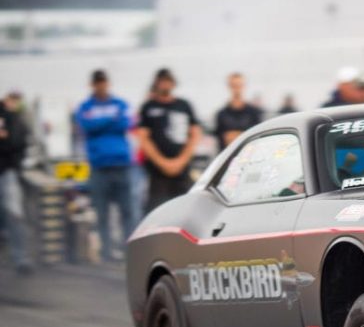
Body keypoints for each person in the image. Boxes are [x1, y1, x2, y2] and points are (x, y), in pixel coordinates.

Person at [75, 70, 135, 262]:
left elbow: (126, 124)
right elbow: (87, 126)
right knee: (102, 213)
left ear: (107, 83)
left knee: (128, 211)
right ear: (93, 84)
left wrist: (100, 123)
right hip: (99, 167)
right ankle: (107, 253)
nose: (101, 85)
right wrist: (110, 120)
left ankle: (130, 252)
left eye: (103, 82)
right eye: (97, 82)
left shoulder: (120, 104)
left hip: (122, 165)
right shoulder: (85, 106)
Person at [136, 68, 202, 213]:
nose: (165, 85)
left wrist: (181, 161)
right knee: (155, 211)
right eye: (162, 82)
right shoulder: (148, 107)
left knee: (186, 210)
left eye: (168, 81)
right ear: (156, 84)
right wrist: (162, 163)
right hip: (157, 173)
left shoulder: (184, 105)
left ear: (173, 83)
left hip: (182, 171)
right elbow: (143, 138)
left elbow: (195, 134)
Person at [0, 97, 31, 274]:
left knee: (13, 213)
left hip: (7, 171)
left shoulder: (9, 116)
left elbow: (16, 141)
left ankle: (21, 257)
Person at [214, 72, 263, 150]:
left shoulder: (254, 113)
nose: (237, 89)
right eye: (234, 86)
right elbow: (220, 140)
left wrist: (234, 136)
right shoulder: (221, 114)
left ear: (244, 86)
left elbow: (257, 137)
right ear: (229, 86)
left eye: (239, 85)